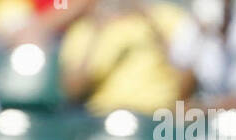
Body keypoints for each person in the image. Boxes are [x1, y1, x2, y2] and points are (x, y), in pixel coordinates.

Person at [59, 0, 188, 117]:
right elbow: (73, 91)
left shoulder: (166, 16)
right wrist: (96, 34)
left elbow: (186, 73)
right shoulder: (85, 28)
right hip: (103, 116)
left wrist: (150, 19)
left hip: (156, 115)